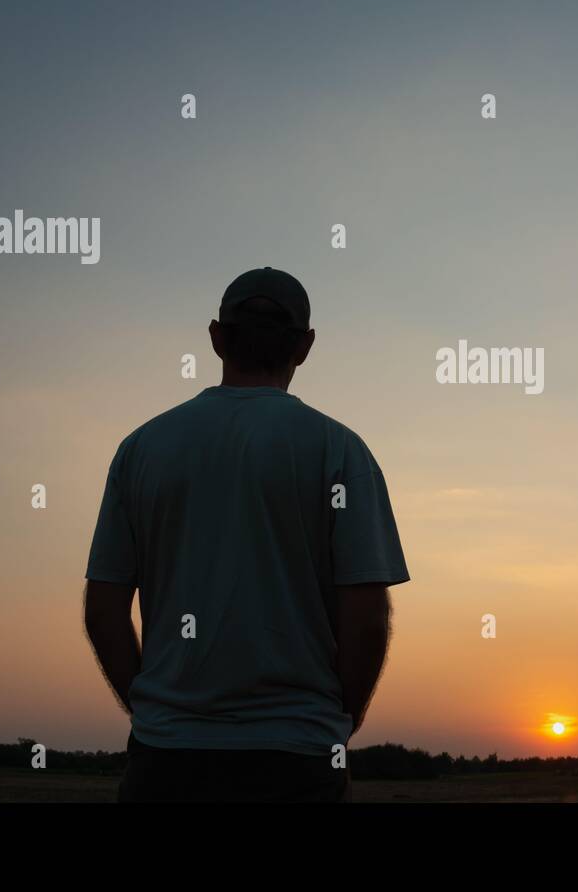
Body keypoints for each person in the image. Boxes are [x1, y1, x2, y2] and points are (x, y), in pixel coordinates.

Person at [83, 267, 409, 802]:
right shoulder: (340, 450)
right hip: (297, 760)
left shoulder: (141, 449)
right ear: (304, 347)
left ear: (216, 337)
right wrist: (334, 722)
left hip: (166, 764)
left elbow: (103, 611)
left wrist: (155, 712)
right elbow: (367, 616)